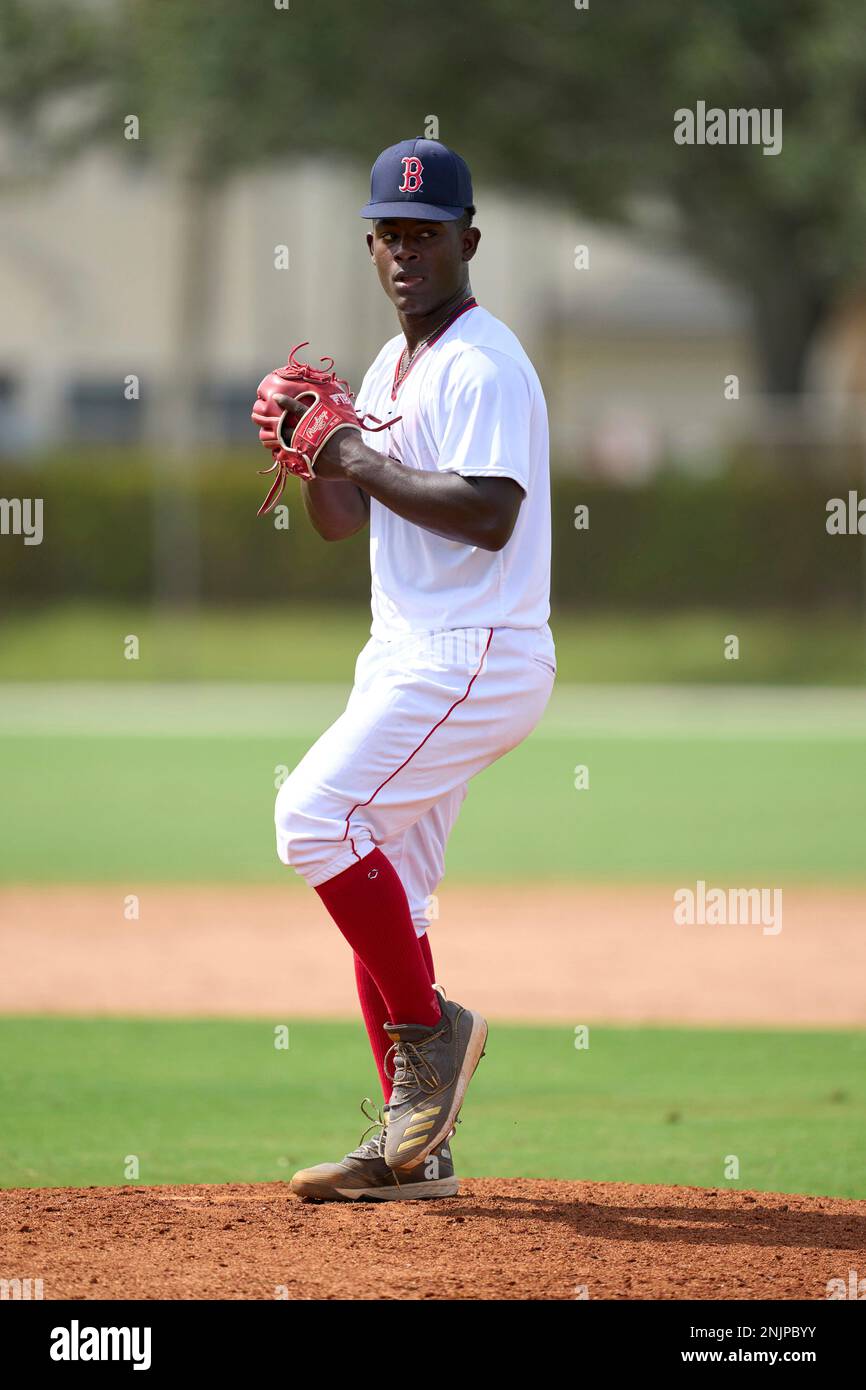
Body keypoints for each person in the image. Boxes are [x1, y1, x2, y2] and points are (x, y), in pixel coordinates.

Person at [272, 137, 556, 1201]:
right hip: (407, 651)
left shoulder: (484, 360)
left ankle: (432, 1037)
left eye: (424, 234)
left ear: (466, 242)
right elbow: (344, 520)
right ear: (370, 244)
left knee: (312, 817)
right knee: (393, 886)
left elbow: (487, 515)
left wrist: (353, 452)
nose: (404, 250)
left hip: (473, 651)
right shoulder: (393, 367)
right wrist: (314, 451)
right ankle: (414, 1148)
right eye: (388, 234)